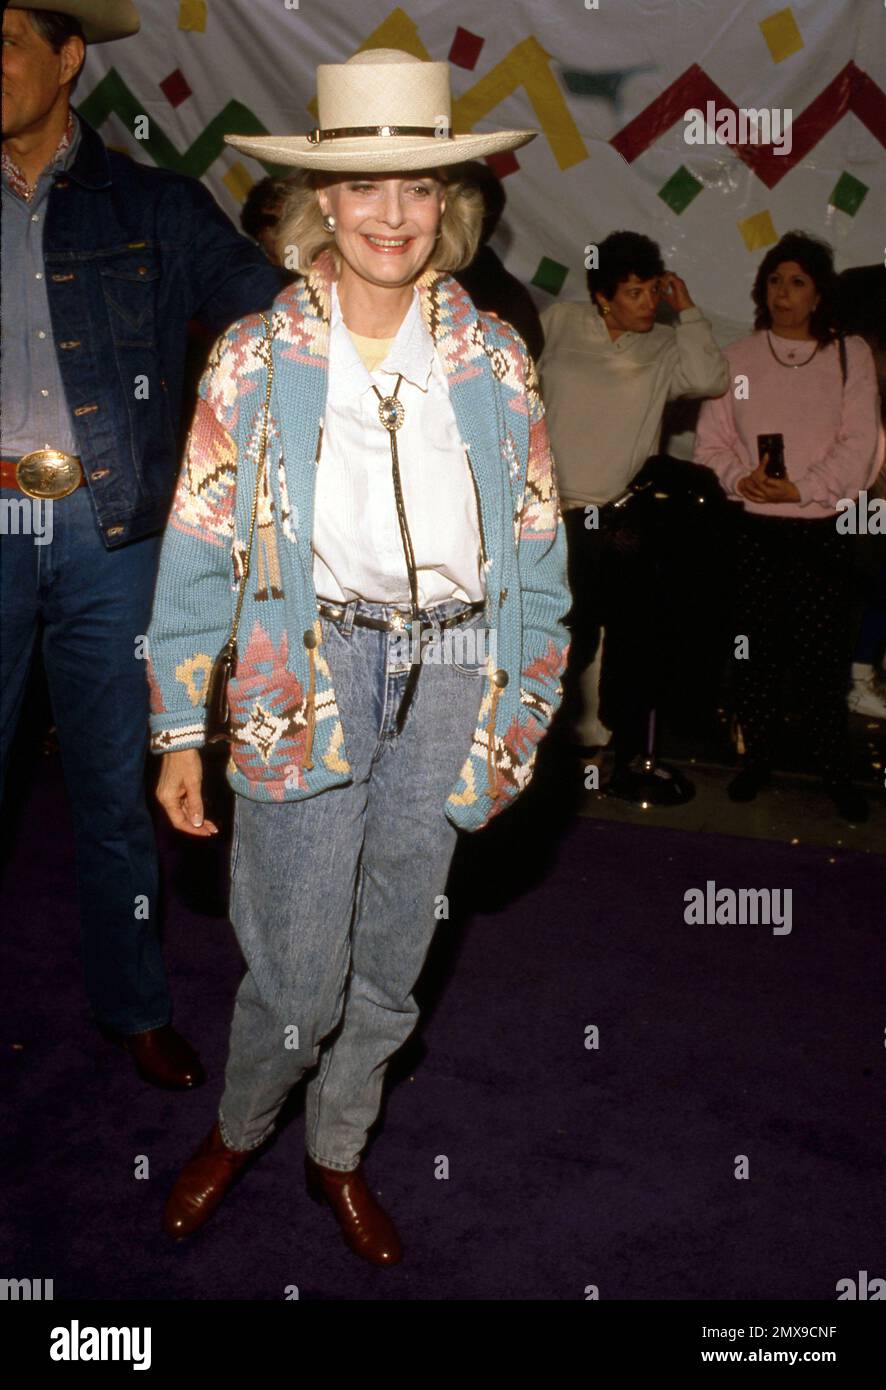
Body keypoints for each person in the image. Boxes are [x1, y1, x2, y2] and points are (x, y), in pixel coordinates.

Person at [145, 48, 570, 1265]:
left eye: (420, 187)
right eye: (366, 189)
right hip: (302, 670)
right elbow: (197, 551)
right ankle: (242, 1120)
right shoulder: (253, 357)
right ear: (319, 203)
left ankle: (338, 1146)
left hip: (454, 673)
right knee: (292, 968)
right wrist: (181, 725)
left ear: (452, 203)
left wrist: (519, 711)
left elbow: (536, 555)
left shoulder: (495, 358)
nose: (394, 215)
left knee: (396, 948)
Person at [0, 0, 284, 1089]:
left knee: (118, 789)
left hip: (111, 530)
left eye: (8, 41)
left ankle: (133, 1004)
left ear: (70, 59)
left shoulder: (154, 205)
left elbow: (265, 313)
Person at [693, 232, 884, 822]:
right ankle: (757, 762)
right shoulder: (738, 358)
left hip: (820, 532)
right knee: (754, 655)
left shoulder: (848, 354)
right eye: (775, 280)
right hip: (754, 531)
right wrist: (738, 478)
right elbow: (712, 443)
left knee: (821, 658)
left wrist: (801, 488)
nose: (784, 292)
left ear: (819, 293)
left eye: (798, 282)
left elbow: (859, 445)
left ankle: (834, 771)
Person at [537, 230, 729, 768]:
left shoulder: (664, 345)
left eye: (653, 291)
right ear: (603, 295)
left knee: (630, 642)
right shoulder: (559, 323)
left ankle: (623, 755)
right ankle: (536, 751)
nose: (648, 304)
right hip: (552, 514)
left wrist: (686, 308)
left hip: (621, 517)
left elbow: (712, 378)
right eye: (634, 292)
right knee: (559, 643)